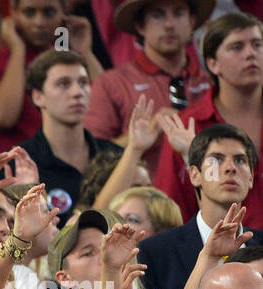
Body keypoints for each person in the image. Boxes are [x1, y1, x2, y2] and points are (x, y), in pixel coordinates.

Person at [153, 13, 263, 232]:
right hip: (213, 251)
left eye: (258, 45)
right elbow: (171, 205)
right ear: (213, 63)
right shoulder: (187, 124)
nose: (251, 53)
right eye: (237, 47)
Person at [140, 124, 261, 289]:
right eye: (217, 159)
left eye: (240, 160)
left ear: (251, 178)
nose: (230, 168)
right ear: (195, 175)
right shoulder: (155, 253)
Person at [85, 0, 213, 170]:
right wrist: (140, 137)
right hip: (142, 192)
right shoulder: (111, 83)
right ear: (140, 26)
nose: (169, 24)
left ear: (192, 21)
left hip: (205, 191)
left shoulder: (213, 83)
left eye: (178, 13)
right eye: (157, 15)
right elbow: (91, 154)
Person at [0, 0, 102, 153]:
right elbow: (2, 118)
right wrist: (18, 51)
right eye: (29, 13)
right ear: (13, 12)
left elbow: (108, 108)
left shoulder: (69, 59)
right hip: (13, 165)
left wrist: (85, 52)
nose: (39, 22)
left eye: (49, 13)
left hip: (70, 160)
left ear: (63, 13)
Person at [19, 51, 122, 216]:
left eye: (83, 83)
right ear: (38, 97)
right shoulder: (18, 165)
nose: (77, 92)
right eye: (63, 84)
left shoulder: (118, 157)